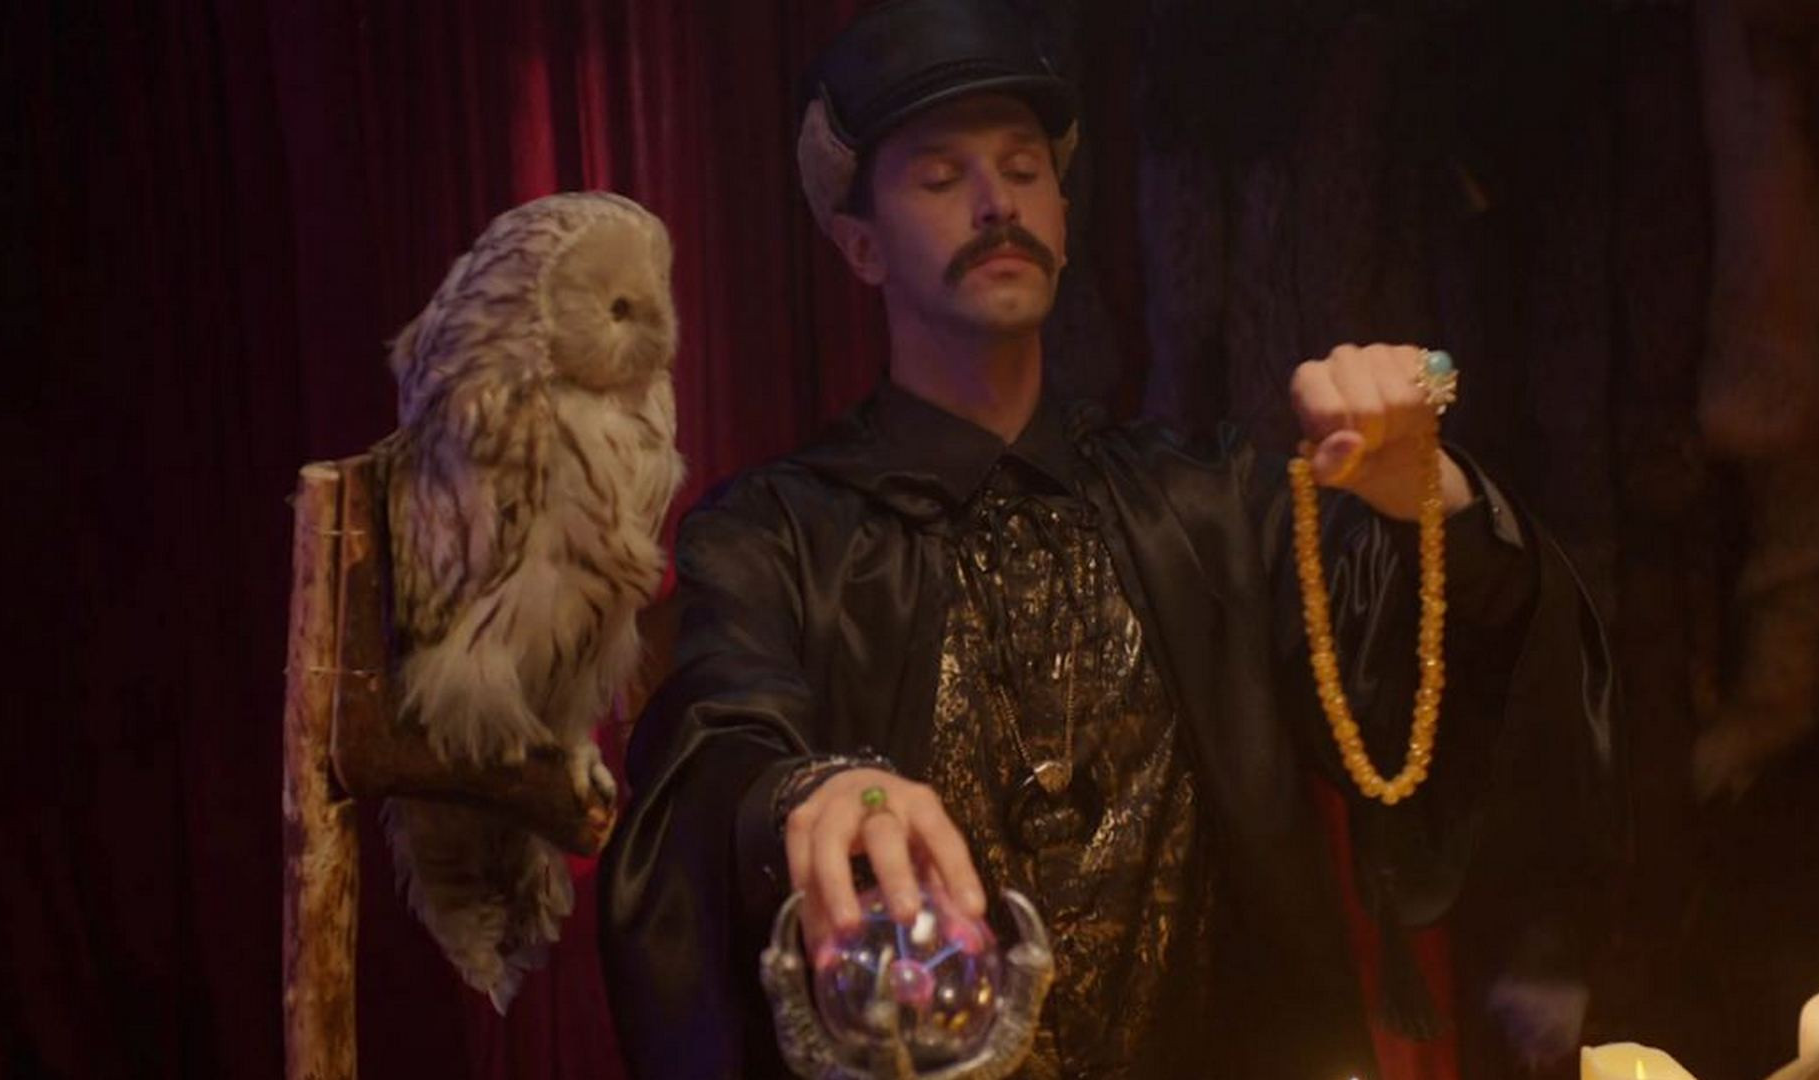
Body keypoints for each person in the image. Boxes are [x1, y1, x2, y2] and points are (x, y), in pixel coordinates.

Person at [599, 2, 1616, 1076]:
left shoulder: (1211, 505)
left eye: (1024, 168)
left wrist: (1432, 502)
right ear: (860, 245)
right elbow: (719, 737)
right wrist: (812, 792)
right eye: (941, 178)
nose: (997, 202)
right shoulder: (773, 534)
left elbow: (1426, 703)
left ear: (1065, 219)